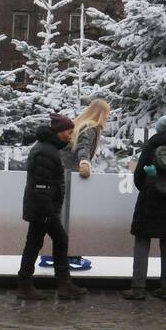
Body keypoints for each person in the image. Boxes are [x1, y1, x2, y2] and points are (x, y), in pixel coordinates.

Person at [19, 114, 86, 300]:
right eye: (69, 131)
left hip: (42, 206)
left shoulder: (48, 149)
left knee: (39, 242)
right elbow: (42, 184)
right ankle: (34, 284)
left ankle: (58, 284)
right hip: (43, 207)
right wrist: (48, 210)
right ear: (59, 132)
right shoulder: (46, 151)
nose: (71, 135)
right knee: (40, 242)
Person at [126, 113, 166, 300]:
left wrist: (150, 186)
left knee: (142, 241)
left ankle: (138, 288)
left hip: (150, 200)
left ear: (159, 129)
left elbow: (138, 177)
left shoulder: (151, 148)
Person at [60, 99, 110, 270]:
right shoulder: (90, 127)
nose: (108, 118)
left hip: (64, 173)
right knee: (70, 215)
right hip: (69, 175)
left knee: (61, 215)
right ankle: (71, 255)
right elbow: (83, 146)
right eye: (107, 114)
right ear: (100, 114)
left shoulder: (82, 124)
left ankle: (54, 252)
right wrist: (84, 163)